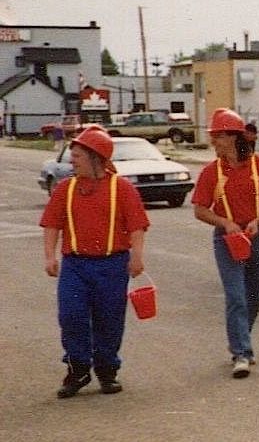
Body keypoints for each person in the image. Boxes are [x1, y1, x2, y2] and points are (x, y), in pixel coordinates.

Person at [40, 125, 149, 398]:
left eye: (77, 156)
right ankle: (77, 369)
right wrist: (49, 256)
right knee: (71, 315)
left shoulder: (122, 188)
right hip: (75, 265)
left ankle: (106, 370)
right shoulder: (65, 188)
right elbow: (52, 224)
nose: (72, 161)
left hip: (112, 264)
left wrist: (137, 256)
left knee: (109, 319)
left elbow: (137, 226)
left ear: (96, 158)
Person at [192, 108, 259, 379]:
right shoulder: (211, 172)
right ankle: (241, 353)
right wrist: (225, 223)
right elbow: (200, 209)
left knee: (253, 296)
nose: (214, 142)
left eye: (218, 137)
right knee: (236, 295)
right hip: (227, 240)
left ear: (233, 138)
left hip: (257, 237)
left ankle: (241, 338)